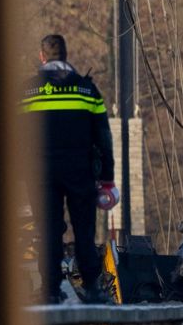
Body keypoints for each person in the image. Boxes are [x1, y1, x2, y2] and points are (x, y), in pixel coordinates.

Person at [23, 34, 116, 304]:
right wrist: (107, 178)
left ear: (42, 57)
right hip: (80, 171)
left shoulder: (27, 90)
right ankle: (93, 287)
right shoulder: (86, 89)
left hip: (40, 172)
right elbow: (103, 136)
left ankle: (50, 290)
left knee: (48, 229)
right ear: (64, 55)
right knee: (84, 229)